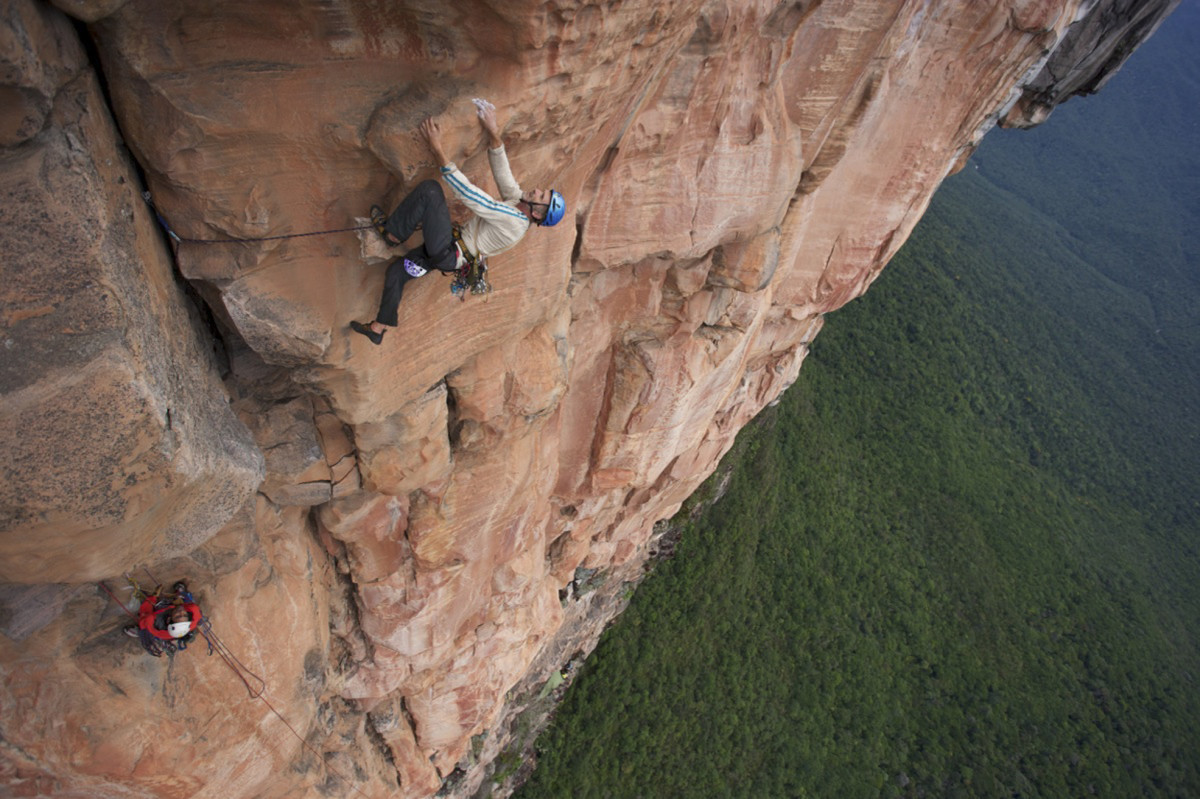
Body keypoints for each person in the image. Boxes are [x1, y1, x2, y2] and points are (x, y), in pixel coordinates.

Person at [350, 101, 566, 344]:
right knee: (397, 272)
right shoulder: (519, 205)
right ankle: (378, 328)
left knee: (431, 191)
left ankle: (391, 234)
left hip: (446, 251)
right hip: (445, 253)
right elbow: (503, 173)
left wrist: (437, 149)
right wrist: (493, 132)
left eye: (541, 197)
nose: (537, 190)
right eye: (541, 192)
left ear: (537, 213)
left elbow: (473, 197)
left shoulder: (515, 221)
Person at [124, 581, 203, 656]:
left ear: (169, 619)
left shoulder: (155, 624)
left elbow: (145, 612)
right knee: (186, 602)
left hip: (156, 630)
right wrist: (179, 600)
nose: (181, 612)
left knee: (145, 629)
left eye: (178, 616)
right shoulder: (193, 617)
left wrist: (154, 596)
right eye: (184, 615)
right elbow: (190, 608)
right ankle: (181, 594)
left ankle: (140, 632)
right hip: (176, 623)